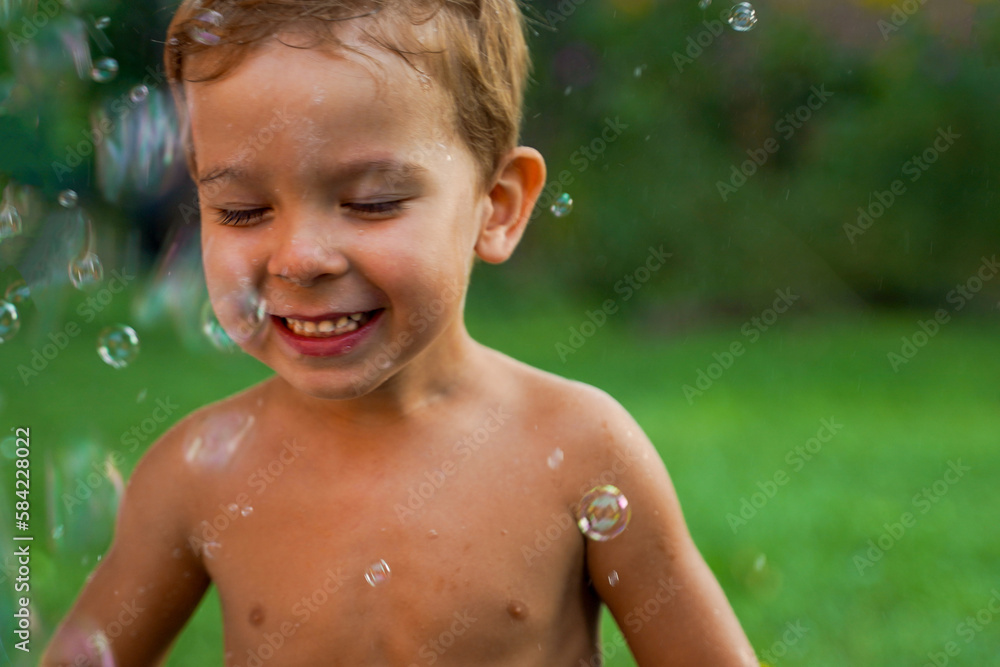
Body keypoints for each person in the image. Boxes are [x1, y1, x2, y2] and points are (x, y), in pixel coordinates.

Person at [43, 0, 757, 664]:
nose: (300, 257)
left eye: (371, 202)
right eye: (241, 211)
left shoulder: (579, 450)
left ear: (498, 206)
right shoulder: (197, 473)